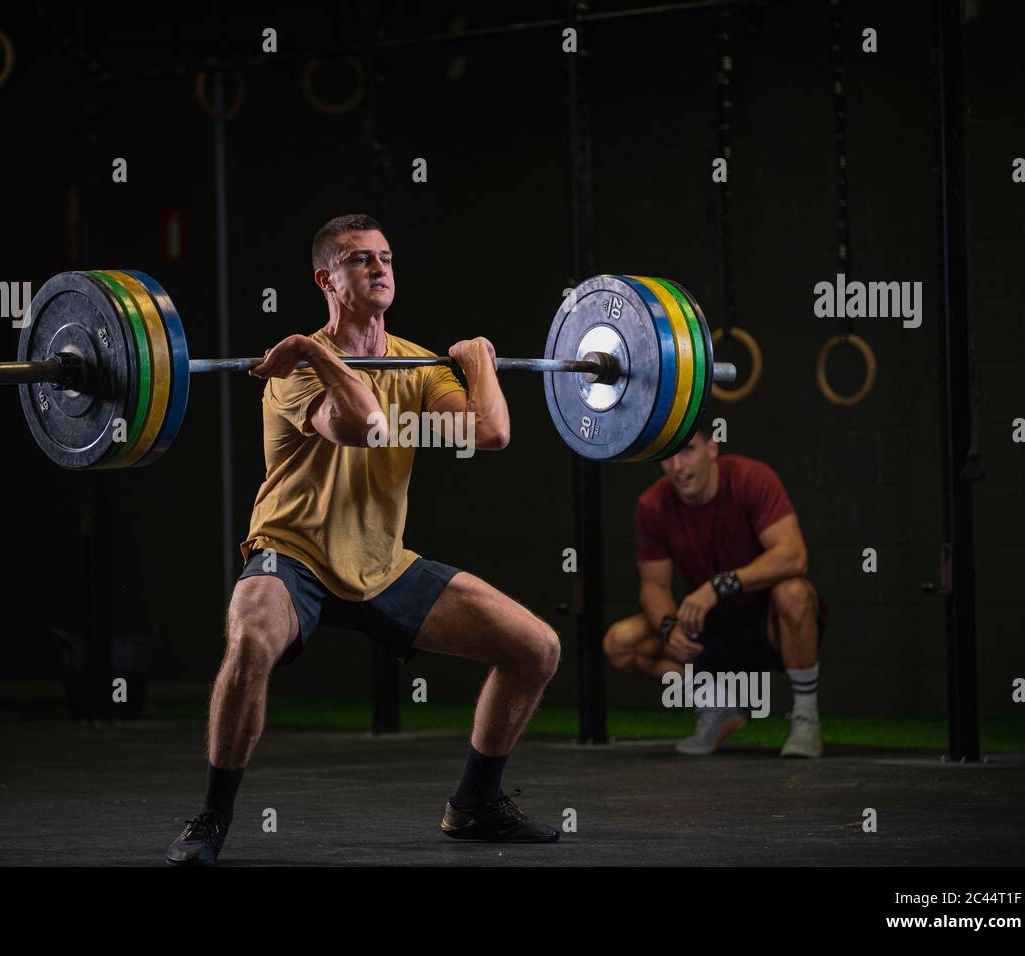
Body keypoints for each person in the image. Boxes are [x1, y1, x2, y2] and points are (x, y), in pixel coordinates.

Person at [166, 214, 562, 865]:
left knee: (535, 649)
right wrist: (316, 350)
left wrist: (478, 359)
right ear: (326, 278)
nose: (379, 268)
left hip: (382, 563)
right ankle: (210, 819)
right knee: (249, 638)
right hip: (292, 554)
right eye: (360, 260)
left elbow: (488, 435)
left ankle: (475, 805)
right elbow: (364, 426)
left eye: (385, 257)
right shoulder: (292, 371)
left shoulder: (417, 364)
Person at [602, 429, 826, 757]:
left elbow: (793, 555)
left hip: (771, 628)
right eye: (667, 455)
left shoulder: (752, 478)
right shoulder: (652, 505)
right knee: (621, 643)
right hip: (712, 631)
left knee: (793, 593)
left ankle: (806, 718)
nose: (677, 465)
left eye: (688, 450)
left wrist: (718, 586)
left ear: (712, 448)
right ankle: (718, 706)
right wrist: (668, 627)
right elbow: (654, 586)